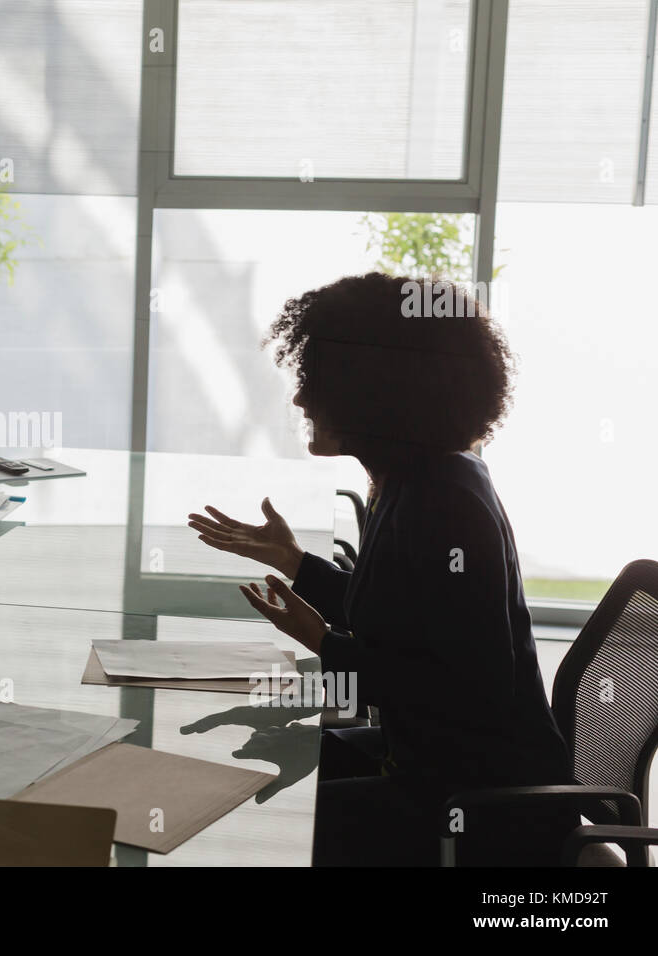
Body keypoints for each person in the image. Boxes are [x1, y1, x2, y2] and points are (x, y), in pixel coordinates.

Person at [188, 272, 573, 866]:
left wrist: (320, 639)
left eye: (317, 380)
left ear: (377, 394)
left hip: (486, 809)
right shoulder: (414, 480)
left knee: (255, 828)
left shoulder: (443, 506)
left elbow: (457, 691)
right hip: (435, 764)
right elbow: (403, 615)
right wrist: (295, 563)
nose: (299, 399)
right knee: (248, 771)